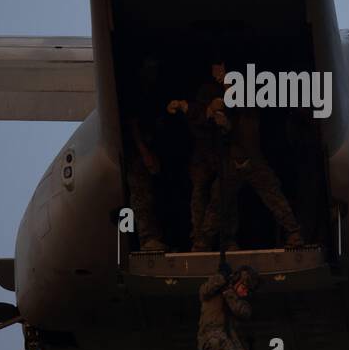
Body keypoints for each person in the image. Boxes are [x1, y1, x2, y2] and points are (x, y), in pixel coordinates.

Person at [199, 81, 304, 250]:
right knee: (218, 202)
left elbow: (245, 128)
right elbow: (217, 125)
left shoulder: (248, 106)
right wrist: (216, 115)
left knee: (273, 196)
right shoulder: (224, 104)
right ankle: (206, 241)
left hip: (253, 160)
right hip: (231, 161)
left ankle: (293, 232)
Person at [167, 60, 227, 251]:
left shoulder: (218, 109)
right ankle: (201, 238)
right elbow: (192, 110)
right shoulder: (199, 110)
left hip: (219, 157)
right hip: (204, 157)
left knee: (220, 197)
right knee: (201, 196)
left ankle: (209, 238)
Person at [124, 56, 167, 251]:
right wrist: (144, 153)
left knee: (150, 195)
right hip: (139, 154)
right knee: (141, 196)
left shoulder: (152, 93)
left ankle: (154, 238)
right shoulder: (137, 94)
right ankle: (147, 238)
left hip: (150, 149)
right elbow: (133, 125)